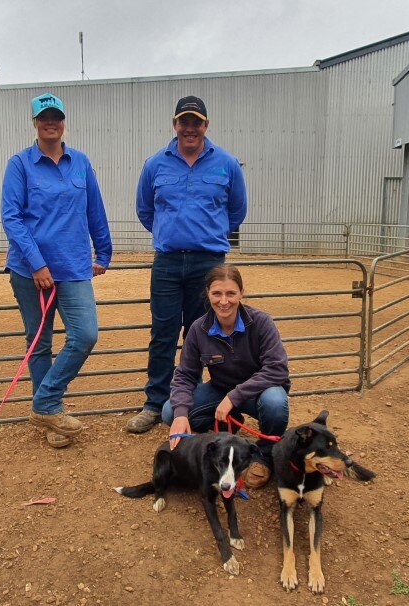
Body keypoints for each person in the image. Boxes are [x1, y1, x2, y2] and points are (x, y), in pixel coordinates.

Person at [126, 95, 248, 434]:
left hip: (208, 264)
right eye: (184, 121)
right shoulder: (155, 164)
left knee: (202, 336)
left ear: (206, 126)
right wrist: (172, 233)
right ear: (175, 124)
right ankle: (154, 403)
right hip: (167, 262)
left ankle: (191, 401)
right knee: (162, 334)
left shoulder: (226, 164)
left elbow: (237, 211)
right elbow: (145, 211)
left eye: (196, 122)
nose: (190, 128)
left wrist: (206, 236)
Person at [0, 92, 112, 449]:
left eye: (56, 116)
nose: (51, 122)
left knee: (86, 335)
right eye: (44, 117)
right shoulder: (19, 164)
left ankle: (44, 401)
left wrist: (104, 253)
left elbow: (95, 209)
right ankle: (51, 416)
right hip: (30, 270)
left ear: (64, 121)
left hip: (74, 266)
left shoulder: (80, 162)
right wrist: (37, 264)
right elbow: (12, 218)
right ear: (34, 122)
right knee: (40, 343)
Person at [164, 265, 288, 489]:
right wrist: (181, 414)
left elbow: (277, 369)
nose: (224, 301)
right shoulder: (198, 329)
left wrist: (233, 397)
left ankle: (263, 458)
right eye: (217, 294)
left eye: (231, 293)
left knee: (276, 402)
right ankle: (221, 440)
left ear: (242, 293)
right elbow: (184, 375)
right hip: (219, 390)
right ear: (208, 293)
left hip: (257, 392)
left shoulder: (261, 322)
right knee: (170, 412)